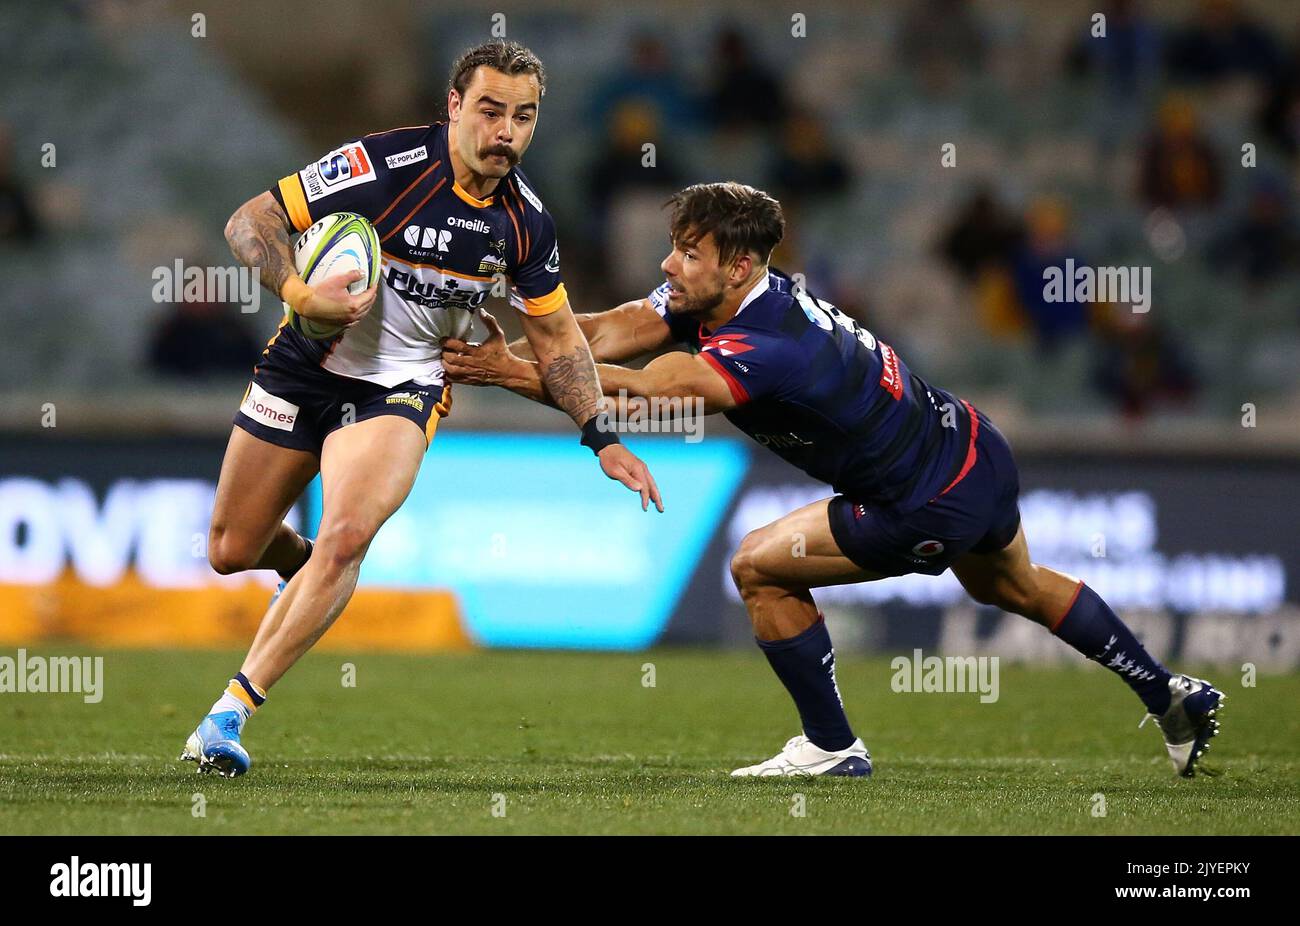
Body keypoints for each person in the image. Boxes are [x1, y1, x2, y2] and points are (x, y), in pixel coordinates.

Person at [443, 181, 1223, 778]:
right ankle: (1169, 697)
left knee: (755, 565)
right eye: (674, 246)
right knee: (1012, 585)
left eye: (687, 252)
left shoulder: (767, 347)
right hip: (975, 444)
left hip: (924, 501)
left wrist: (508, 374)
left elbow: (643, 390)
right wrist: (533, 334)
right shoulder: (733, 294)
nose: (667, 265)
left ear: (738, 264)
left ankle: (831, 745)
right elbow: (613, 330)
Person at [180, 41, 662, 778]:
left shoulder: (526, 224)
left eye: (524, 117)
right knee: (230, 551)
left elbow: (560, 342)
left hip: (403, 386)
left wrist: (602, 437)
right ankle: (303, 571)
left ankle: (228, 714)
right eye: (491, 111)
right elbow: (252, 221)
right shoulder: (382, 167)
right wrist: (300, 294)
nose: (506, 132)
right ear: (454, 107)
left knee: (348, 535)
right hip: (304, 367)